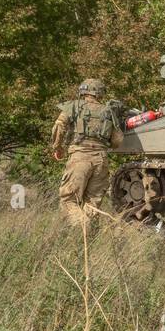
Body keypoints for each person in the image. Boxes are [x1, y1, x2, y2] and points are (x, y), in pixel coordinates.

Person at [51, 78, 122, 228]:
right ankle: (88, 241)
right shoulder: (109, 111)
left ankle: (83, 224)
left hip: (80, 157)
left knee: (68, 200)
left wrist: (57, 147)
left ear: (83, 91)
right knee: (92, 204)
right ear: (100, 93)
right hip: (101, 161)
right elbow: (117, 140)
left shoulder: (74, 106)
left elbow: (58, 126)